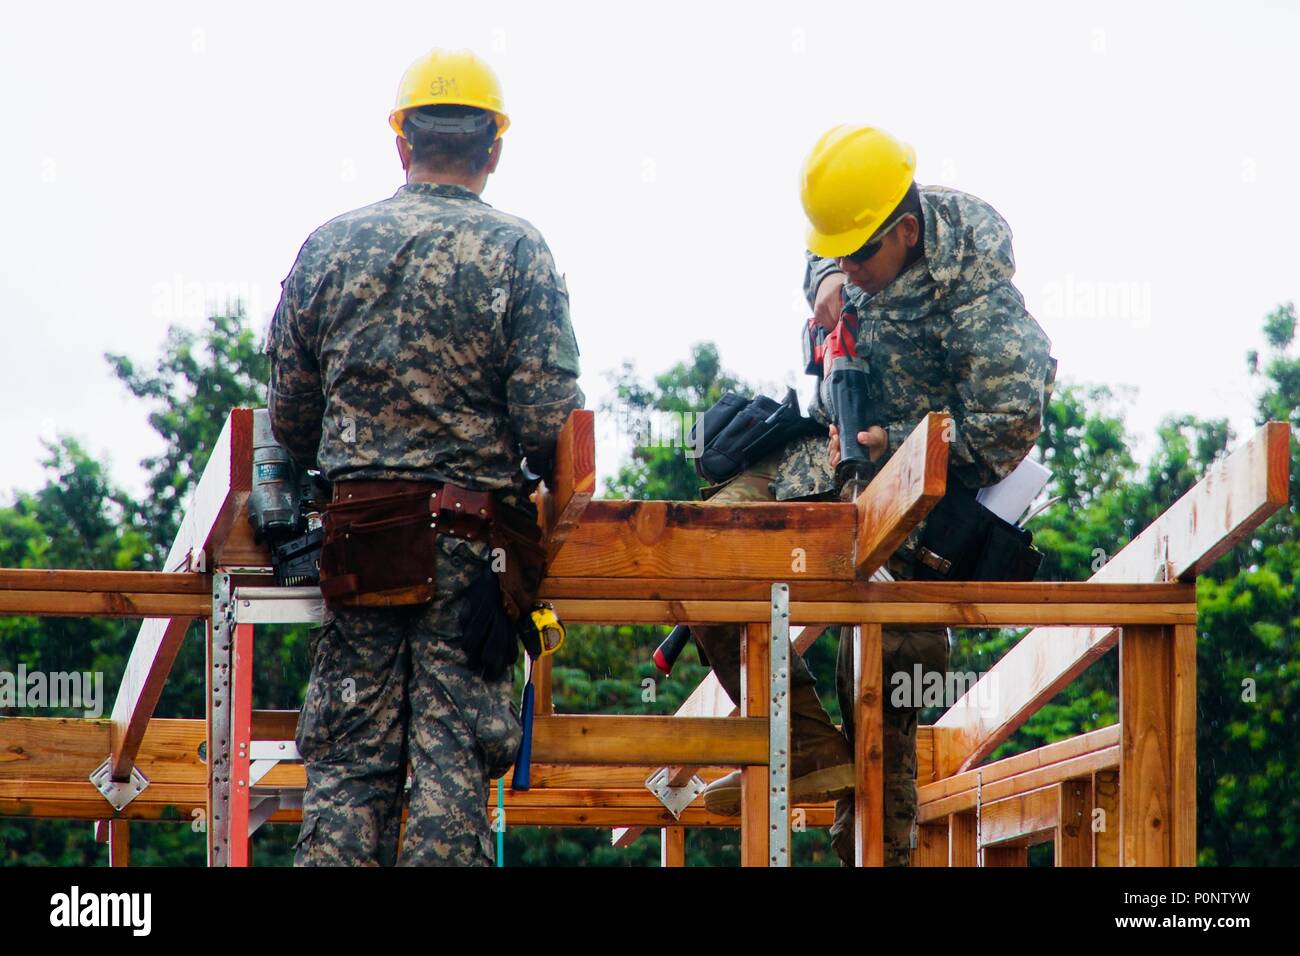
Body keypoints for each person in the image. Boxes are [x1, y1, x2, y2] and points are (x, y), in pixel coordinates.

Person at [695, 124, 1055, 865]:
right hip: (835, 449)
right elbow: (828, 247)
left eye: (860, 257)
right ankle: (805, 744)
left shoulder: (975, 286)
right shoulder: (854, 235)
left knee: (895, 663)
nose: (850, 271)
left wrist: (900, 446)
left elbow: (1007, 428)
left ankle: (877, 844)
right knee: (705, 544)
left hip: (923, 489)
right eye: (839, 254)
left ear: (908, 232)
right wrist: (825, 275)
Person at [266, 48, 583, 866]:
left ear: (402, 144)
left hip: (357, 547)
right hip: (468, 560)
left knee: (344, 779)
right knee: (448, 790)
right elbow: (550, 421)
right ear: (494, 149)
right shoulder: (519, 252)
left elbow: (291, 417)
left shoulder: (330, 247)